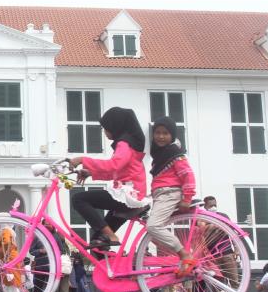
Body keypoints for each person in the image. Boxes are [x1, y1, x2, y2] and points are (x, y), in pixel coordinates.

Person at [69, 107, 148, 250]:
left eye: (106, 129)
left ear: (115, 127)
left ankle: (111, 235)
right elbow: (116, 171)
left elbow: (114, 165)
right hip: (128, 193)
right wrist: (91, 173)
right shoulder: (127, 144)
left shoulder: (124, 143)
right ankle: (113, 269)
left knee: (78, 199)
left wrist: (82, 159)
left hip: (128, 194)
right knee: (97, 243)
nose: (104, 132)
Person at [145, 117, 197, 276]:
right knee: (151, 234)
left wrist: (187, 198)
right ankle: (177, 260)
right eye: (157, 133)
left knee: (153, 227)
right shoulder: (160, 155)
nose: (160, 136)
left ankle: (184, 255)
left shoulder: (175, 154)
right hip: (160, 195)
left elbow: (188, 176)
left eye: (165, 133)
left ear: (172, 135)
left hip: (169, 193)